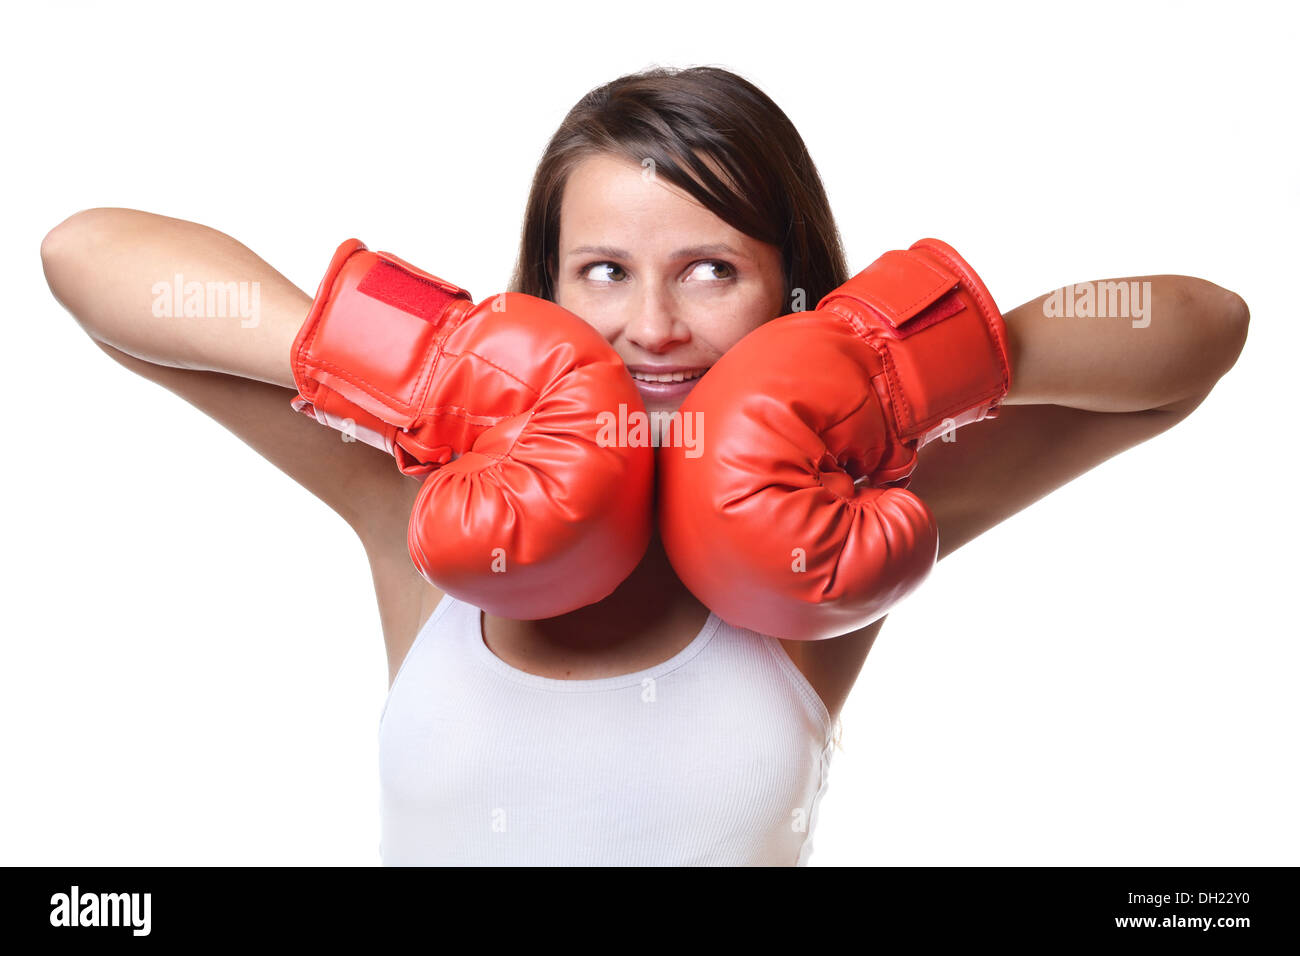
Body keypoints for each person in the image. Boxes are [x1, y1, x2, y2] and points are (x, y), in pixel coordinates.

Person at [39, 65, 1250, 865]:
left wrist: (884, 366)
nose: (654, 326)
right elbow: (87, 259)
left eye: (710, 270)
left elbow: (1196, 334)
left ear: (791, 293)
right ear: (544, 292)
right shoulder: (422, 500)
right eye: (604, 270)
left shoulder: (844, 536)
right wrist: (427, 369)